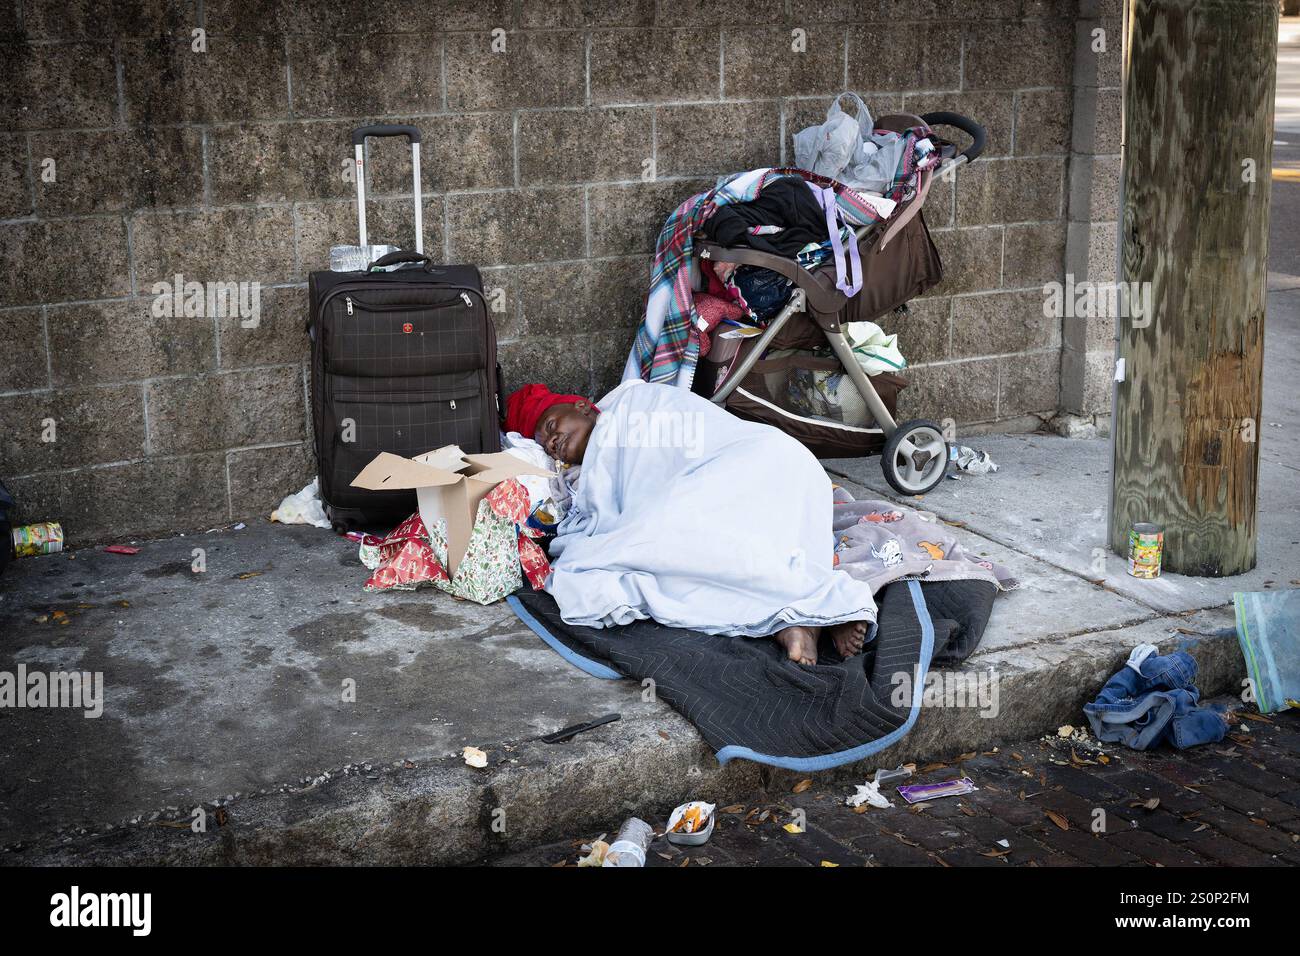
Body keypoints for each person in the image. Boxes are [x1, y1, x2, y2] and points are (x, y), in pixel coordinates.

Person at [503, 381, 872, 665]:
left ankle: (805, 612)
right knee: (692, 533)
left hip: (770, 458)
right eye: (545, 442)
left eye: (551, 425)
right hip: (719, 483)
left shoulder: (636, 403)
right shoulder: (586, 476)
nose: (551, 440)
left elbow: (693, 434)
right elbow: (628, 496)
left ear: (583, 407)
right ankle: (806, 617)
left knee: (662, 536)